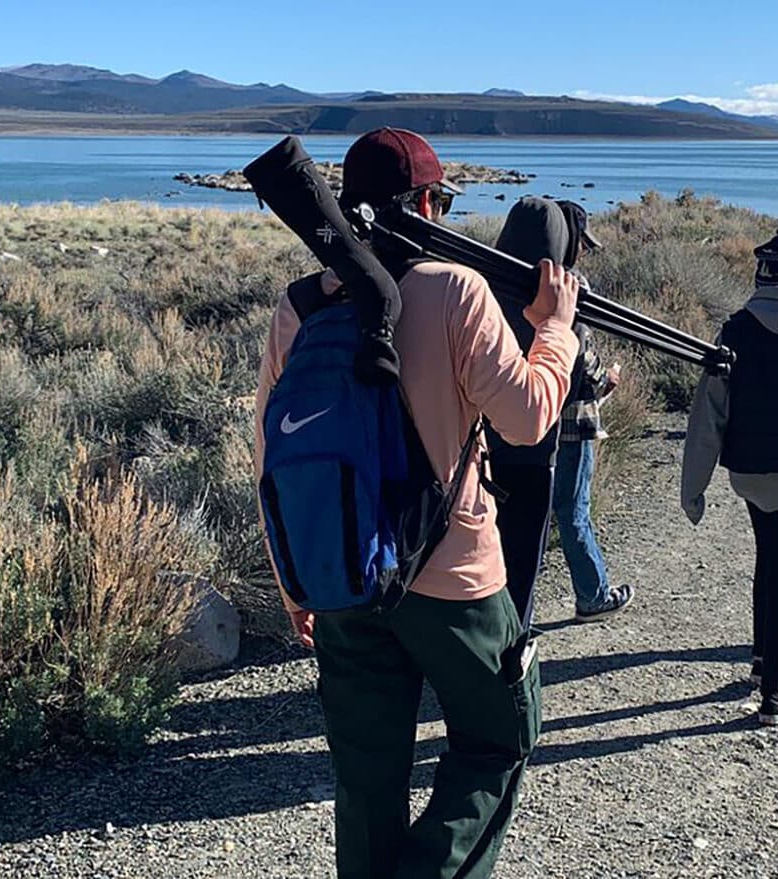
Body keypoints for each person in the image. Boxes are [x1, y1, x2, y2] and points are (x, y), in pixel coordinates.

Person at [254, 128, 580, 879]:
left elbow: (273, 456)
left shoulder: (299, 305)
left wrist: (293, 581)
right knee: (500, 736)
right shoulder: (454, 288)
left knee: (367, 779)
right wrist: (554, 330)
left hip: (340, 574)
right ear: (428, 204)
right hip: (454, 578)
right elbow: (529, 416)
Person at [680, 225, 778, 726]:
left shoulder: (734, 330)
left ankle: (758, 663)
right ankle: (773, 693)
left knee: (765, 561)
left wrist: (695, 485)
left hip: (748, 472)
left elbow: (709, 412)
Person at [485, 197, 634, 626]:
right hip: (566, 424)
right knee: (571, 510)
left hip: (498, 429)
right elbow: (579, 364)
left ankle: (504, 615)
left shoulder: (487, 286)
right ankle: (592, 593)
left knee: (502, 523)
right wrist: (608, 379)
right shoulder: (567, 293)